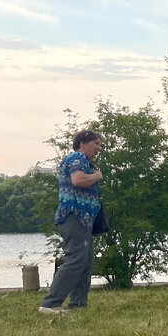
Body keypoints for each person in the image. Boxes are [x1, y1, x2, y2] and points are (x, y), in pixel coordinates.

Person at [39, 130, 105, 314]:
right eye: (96, 144)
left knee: (86, 260)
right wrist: (97, 176)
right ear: (83, 143)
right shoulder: (77, 158)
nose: (99, 148)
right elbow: (78, 180)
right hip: (74, 216)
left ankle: (78, 304)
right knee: (76, 259)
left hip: (83, 220)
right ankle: (50, 303)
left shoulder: (83, 161)